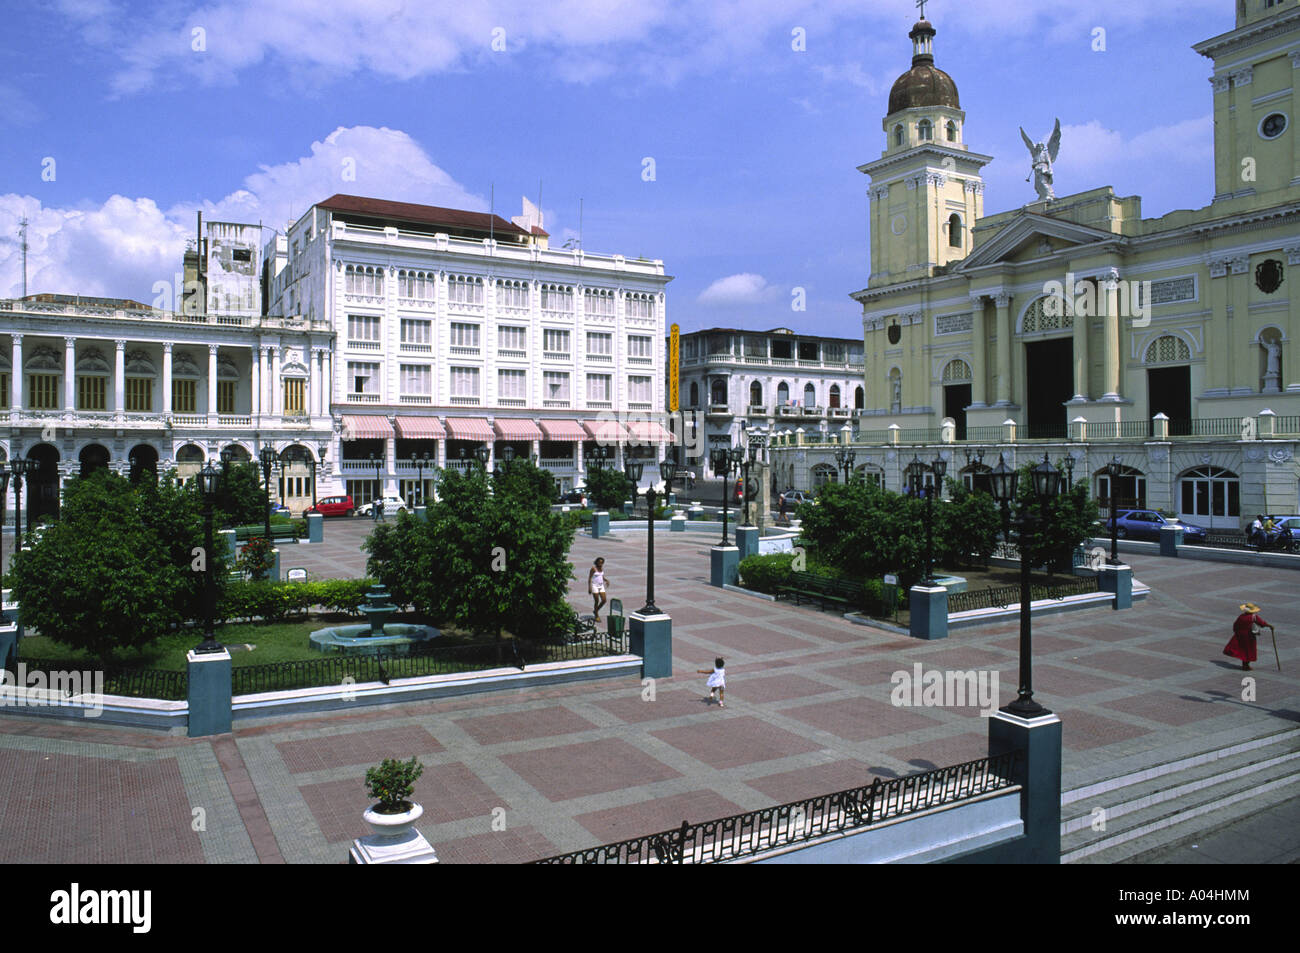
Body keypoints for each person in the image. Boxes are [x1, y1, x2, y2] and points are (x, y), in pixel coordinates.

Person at [1225, 602, 1273, 672]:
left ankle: (1245, 664)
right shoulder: (1254, 617)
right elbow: (1261, 623)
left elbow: (1235, 625)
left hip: (1241, 636)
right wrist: (1269, 626)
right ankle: (1246, 665)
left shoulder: (1241, 617)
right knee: (1249, 650)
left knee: (1243, 649)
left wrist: (1236, 632)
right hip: (1249, 636)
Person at [588, 557, 609, 623]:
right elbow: (590, 578)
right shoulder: (593, 569)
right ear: (596, 562)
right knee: (596, 600)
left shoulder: (601, 569)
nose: (600, 564)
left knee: (604, 600)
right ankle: (596, 615)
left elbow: (601, 576)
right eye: (599, 562)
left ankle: (596, 610)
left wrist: (606, 580)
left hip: (601, 585)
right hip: (595, 586)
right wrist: (590, 588)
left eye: (602, 562)